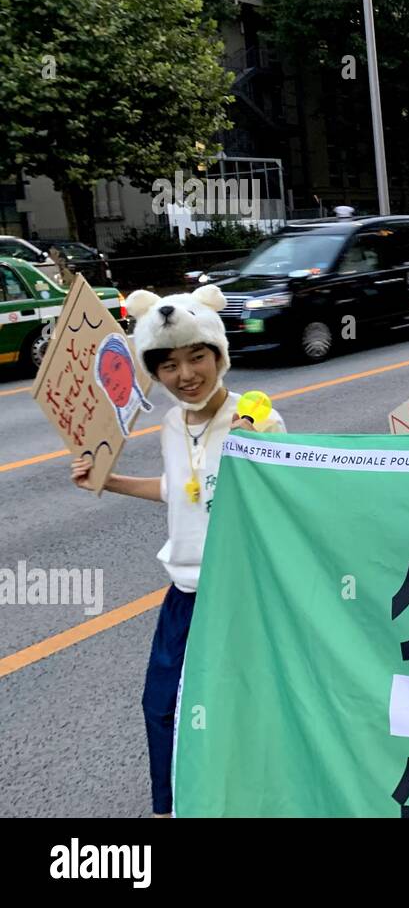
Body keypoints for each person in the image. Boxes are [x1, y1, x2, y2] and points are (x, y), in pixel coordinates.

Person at [70, 285, 285, 817]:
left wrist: (255, 449)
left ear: (218, 355)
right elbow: (177, 488)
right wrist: (108, 480)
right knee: (162, 706)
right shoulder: (170, 423)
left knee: (244, 706)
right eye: (168, 364)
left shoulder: (257, 420)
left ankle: (252, 800)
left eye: (197, 357)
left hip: (241, 594)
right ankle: (174, 806)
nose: (186, 374)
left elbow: (285, 500)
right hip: (185, 592)